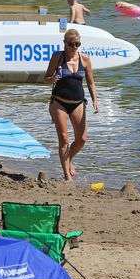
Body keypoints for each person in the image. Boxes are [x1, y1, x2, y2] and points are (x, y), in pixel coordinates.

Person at [46, 28, 98, 181]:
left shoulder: (85, 59)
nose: (74, 47)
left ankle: (69, 159)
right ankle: (67, 175)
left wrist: (95, 99)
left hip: (78, 102)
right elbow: (46, 77)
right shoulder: (58, 57)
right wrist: (52, 78)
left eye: (77, 44)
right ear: (64, 43)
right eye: (71, 44)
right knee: (64, 139)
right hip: (59, 102)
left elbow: (90, 82)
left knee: (82, 139)